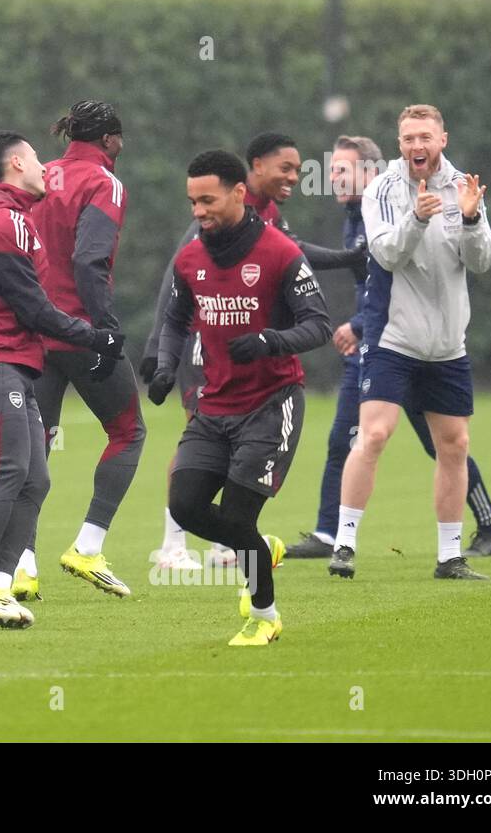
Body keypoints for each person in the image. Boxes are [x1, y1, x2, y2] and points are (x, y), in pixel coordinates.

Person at [141, 130, 365, 568]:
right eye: (286, 167)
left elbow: (292, 258)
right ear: (255, 168)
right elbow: (177, 285)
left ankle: (235, 544)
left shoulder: (267, 218)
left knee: (232, 466)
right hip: (201, 353)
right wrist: (160, 353)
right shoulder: (212, 218)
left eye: (299, 170)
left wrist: (342, 259)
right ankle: (175, 544)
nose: (294, 177)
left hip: (262, 378)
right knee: (198, 439)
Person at [285, 136, 491, 558]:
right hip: (378, 339)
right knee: (347, 438)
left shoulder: (382, 204)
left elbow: (378, 271)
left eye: (342, 170)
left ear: (368, 172)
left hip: (399, 342)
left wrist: (352, 321)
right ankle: (330, 534)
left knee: (442, 443)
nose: (332, 177)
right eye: (331, 170)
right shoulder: (356, 213)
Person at [150, 150, 331, 646]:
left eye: (207, 200)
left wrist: (271, 341)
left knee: (234, 519)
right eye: (192, 202)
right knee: (185, 506)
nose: (198, 211)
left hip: (271, 404)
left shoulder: (279, 252)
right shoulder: (190, 258)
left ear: (237, 193)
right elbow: (174, 319)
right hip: (214, 407)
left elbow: (318, 324)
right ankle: (260, 548)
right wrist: (166, 366)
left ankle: (264, 614)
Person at [0, 131, 125, 628]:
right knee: (10, 470)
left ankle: (0, 587)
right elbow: (36, 309)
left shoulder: (2, 218)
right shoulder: (6, 223)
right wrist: (96, 337)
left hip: (9, 359)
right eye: (37, 160)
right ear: (18, 162)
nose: (48, 167)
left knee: (35, 476)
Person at [331, 105, 491, 581]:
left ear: (443, 138)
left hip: (446, 344)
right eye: (407, 139)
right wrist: (417, 219)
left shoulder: (465, 185)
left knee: (454, 444)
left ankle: (449, 557)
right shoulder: (383, 187)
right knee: (375, 433)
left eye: (425, 137)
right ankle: (344, 544)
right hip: (393, 336)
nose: (416, 146)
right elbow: (385, 251)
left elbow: (482, 261)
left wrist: (470, 219)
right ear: (399, 143)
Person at [16, 101, 146, 601]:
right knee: (128, 431)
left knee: (36, 445)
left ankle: (23, 566)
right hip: (80, 332)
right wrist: (106, 329)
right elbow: (90, 261)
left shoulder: (41, 175)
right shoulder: (104, 182)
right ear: (111, 139)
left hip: (34, 332)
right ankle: (88, 546)